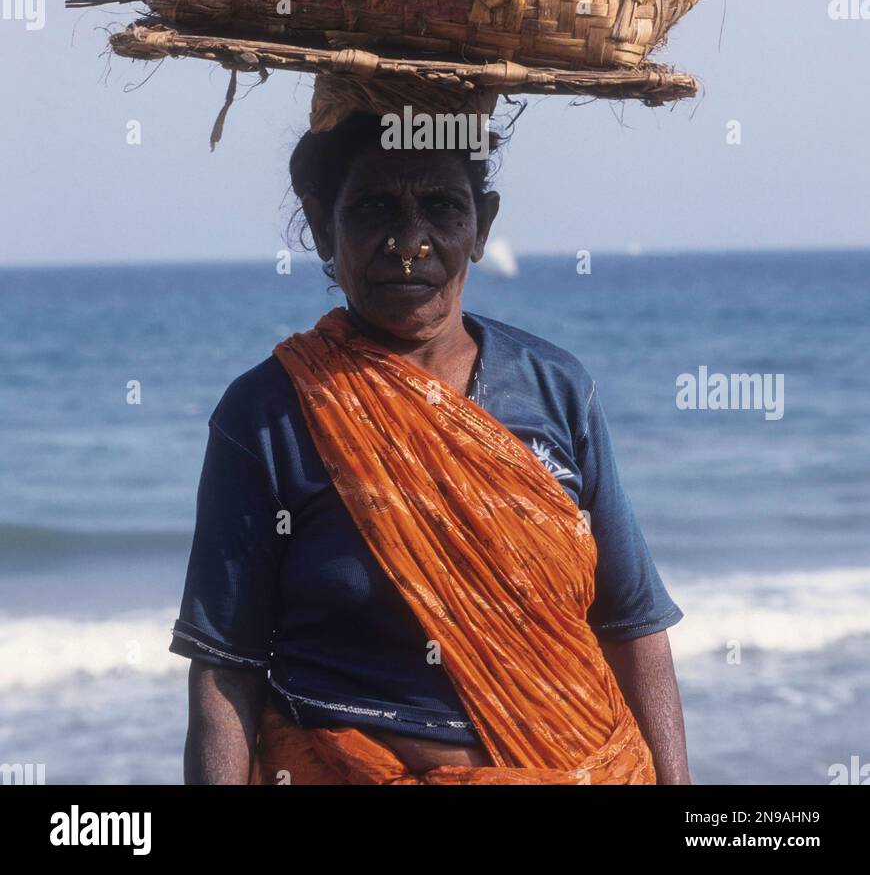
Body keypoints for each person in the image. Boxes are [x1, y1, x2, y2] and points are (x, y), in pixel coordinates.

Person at [170, 106, 689, 784]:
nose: (409, 241)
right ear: (325, 226)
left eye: (442, 207)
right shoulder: (267, 414)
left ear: (483, 226)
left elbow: (631, 624)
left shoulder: (555, 390)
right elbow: (225, 667)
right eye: (374, 209)